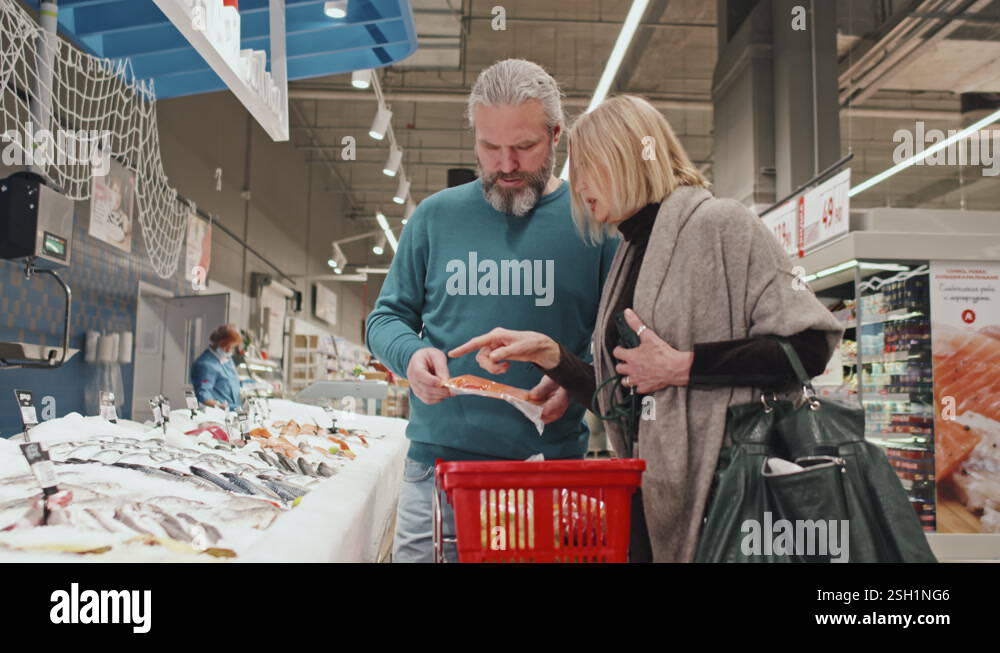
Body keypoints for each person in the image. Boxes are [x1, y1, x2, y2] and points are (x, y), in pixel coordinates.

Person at [449, 95, 845, 562]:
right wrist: (551, 355)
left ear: (627, 159)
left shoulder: (722, 224)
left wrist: (686, 367)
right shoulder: (632, 249)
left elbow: (811, 346)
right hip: (657, 492)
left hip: (731, 495)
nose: (577, 185)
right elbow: (626, 392)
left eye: (589, 166)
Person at [365, 59, 618, 563]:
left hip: (550, 474)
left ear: (556, 135)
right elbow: (384, 319)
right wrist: (412, 357)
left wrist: (575, 376)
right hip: (437, 474)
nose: (505, 165)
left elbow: (618, 343)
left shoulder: (596, 225)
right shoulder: (435, 218)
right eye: (489, 147)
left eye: (523, 148)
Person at [191, 323, 243, 411]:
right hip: (218, 415)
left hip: (233, 411)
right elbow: (204, 397)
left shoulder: (226, 359)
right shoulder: (205, 364)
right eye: (227, 346)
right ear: (219, 342)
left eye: (232, 347)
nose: (229, 351)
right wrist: (223, 407)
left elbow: (231, 380)